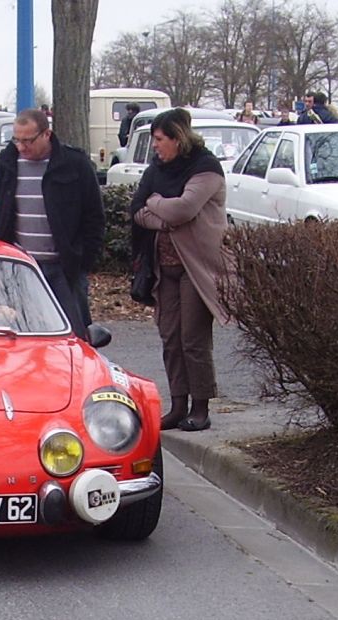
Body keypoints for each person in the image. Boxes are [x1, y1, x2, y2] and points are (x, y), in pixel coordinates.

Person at [130, 108, 231, 432]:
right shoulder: (156, 170)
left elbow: (185, 208)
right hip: (164, 266)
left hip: (197, 265)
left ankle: (200, 406)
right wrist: (164, 215)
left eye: (159, 140)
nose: (155, 147)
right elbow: (137, 210)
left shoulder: (205, 168)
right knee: (170, 336)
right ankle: (178, 404)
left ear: (177, 137)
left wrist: (156, 204)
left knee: (193, 339)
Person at [0, 108, 104, 339]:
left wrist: (83, 260)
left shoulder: (75, 164)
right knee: (22, 334)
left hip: (64, 267)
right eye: (16, 140)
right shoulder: (8, 161)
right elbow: (0, 211)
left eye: (28, 141)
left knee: (74, 334)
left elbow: (94, 216)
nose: (22, 147)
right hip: (20, 266)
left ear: (46, 134)